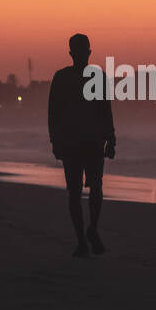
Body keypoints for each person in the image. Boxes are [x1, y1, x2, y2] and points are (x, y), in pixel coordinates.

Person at [48, 33, 116, 257]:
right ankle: (90, 232)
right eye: (82, 51)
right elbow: (105, 111)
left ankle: (83, 240)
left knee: (76, 193)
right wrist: (111, 138)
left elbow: (53, 115)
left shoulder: (63, 77)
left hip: (75, 144)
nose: (83, 55)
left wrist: (55, 142)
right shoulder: (95, 76)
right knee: (94, 189)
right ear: (85, 52)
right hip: (87, 143)